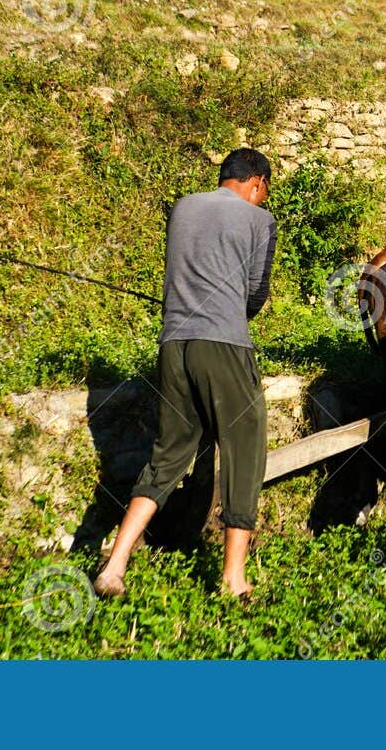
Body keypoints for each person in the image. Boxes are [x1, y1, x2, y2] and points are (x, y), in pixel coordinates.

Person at [95, 148, 277, 599]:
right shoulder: (260, 222)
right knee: (245, 442)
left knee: (168, 454)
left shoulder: (183, 207)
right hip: (224, 345)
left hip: (173, 344)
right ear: (256, 183)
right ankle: (233, 577)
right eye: (263, 192)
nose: (261, 200)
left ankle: (114, 565)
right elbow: (255, 296)